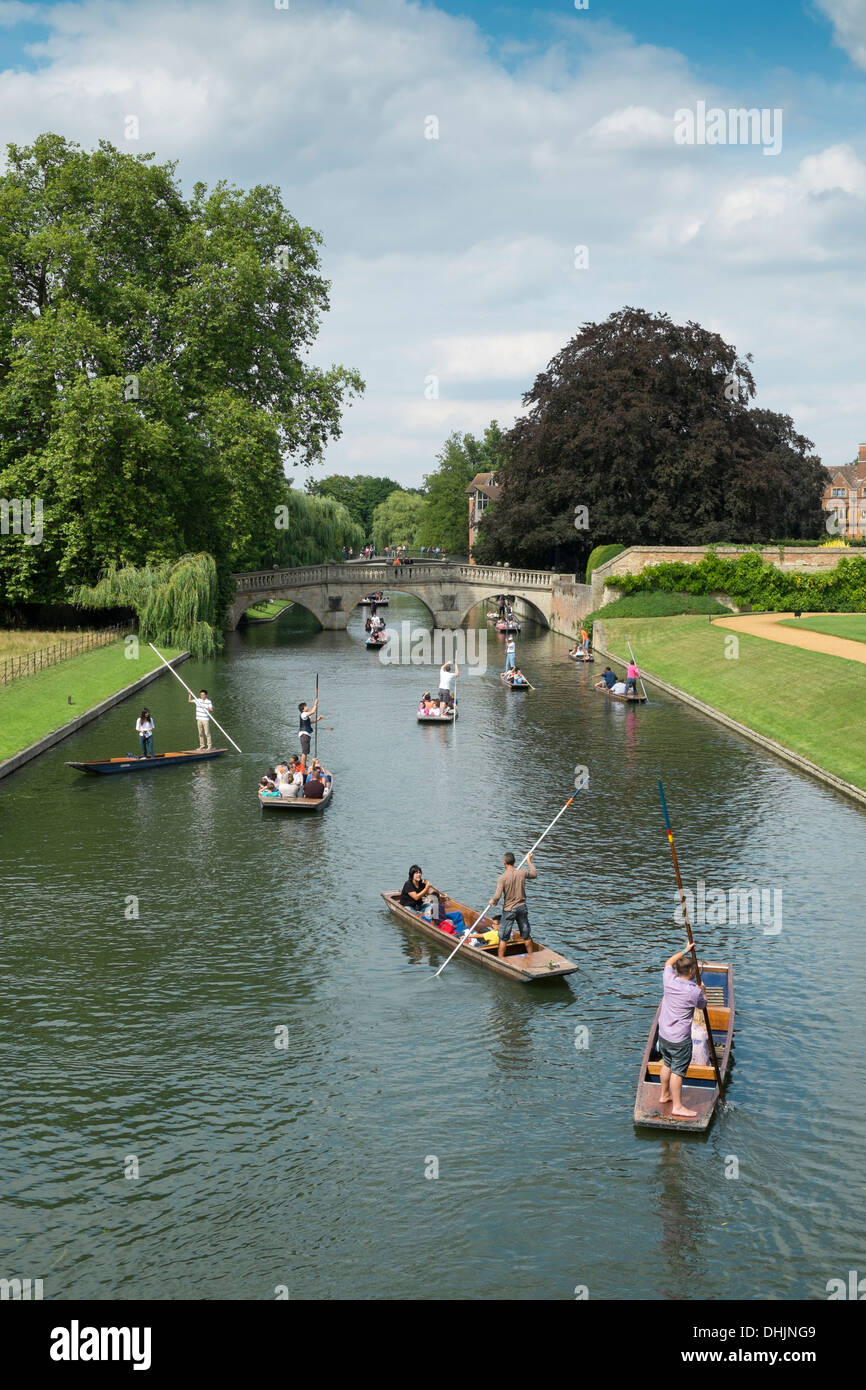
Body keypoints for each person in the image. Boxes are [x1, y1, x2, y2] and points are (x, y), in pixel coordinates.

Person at [655, 943, 707, 1119]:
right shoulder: (693, 991)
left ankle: (664, 1094)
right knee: (677, 1071)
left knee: (667, 1064)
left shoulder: (668, 979)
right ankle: (677, 1106)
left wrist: (684, 950)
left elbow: (668, 962)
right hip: (679, 1040)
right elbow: (702, 1005)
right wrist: (703, 992)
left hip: (663, 1034)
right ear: (692, 972)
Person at [490, 851, 538, 958]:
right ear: (514, 862)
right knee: (526, 935)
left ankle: (501, 960)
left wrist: (492, 901)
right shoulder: (521, 873)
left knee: (503, 938)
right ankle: (531, 957)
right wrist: (529, 861)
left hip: (509, 910)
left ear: (504, 862)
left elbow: (497, 896)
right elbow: (534, 874)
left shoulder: (502, 878)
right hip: (522, 908)